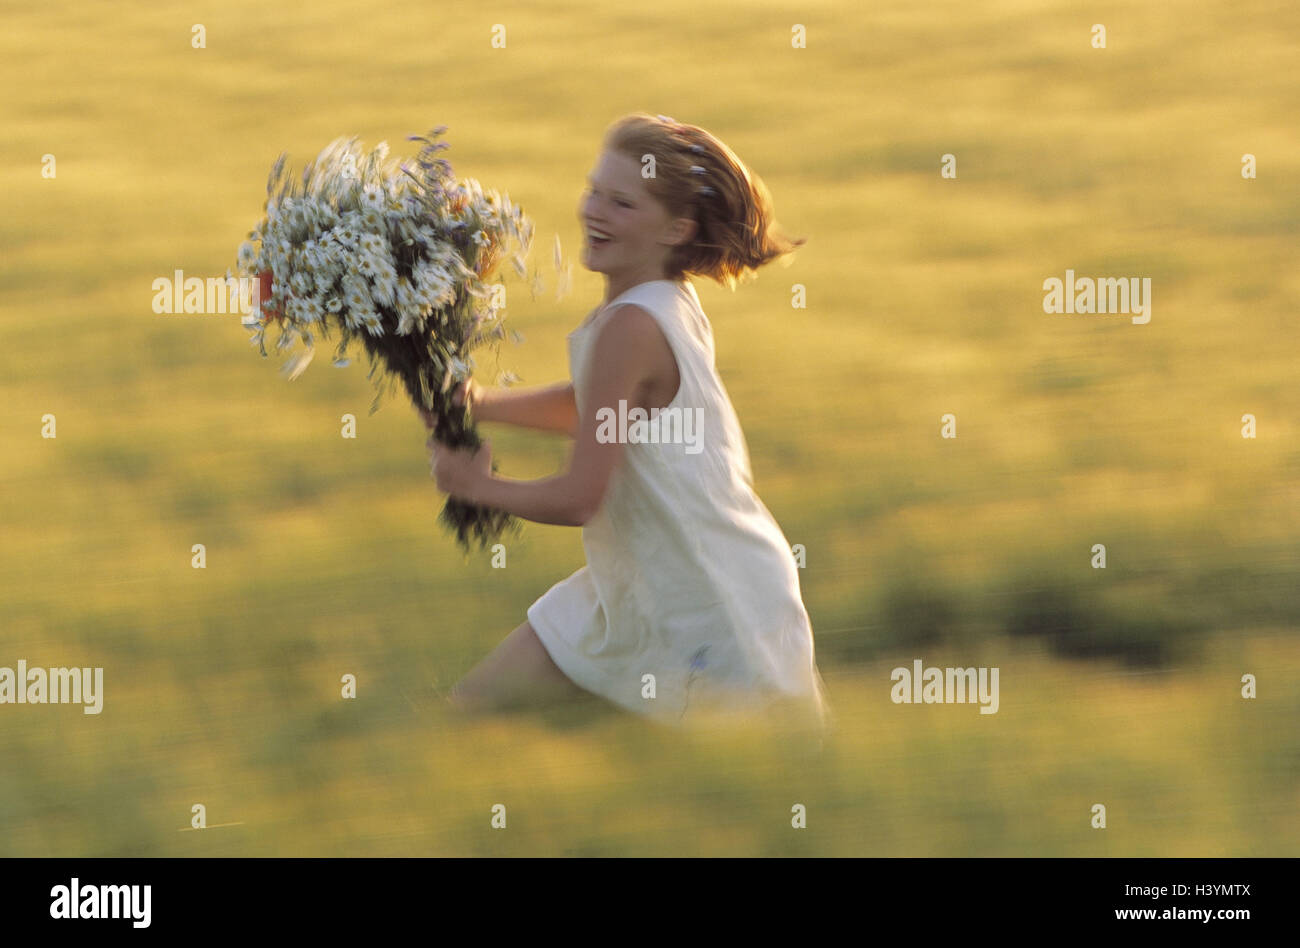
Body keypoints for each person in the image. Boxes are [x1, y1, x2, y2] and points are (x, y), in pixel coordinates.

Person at [423, 112, 830, 730]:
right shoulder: (662, 300)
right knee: (468, 718)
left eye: (622, 202)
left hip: (701, 595)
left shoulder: (632, 325)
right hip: (637, 585)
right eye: (594, 191)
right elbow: (601, 408)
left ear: (677, 228)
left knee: (750, 789)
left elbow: (581, 496)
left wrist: (475, 485)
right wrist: (478, 402)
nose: (595, 211)